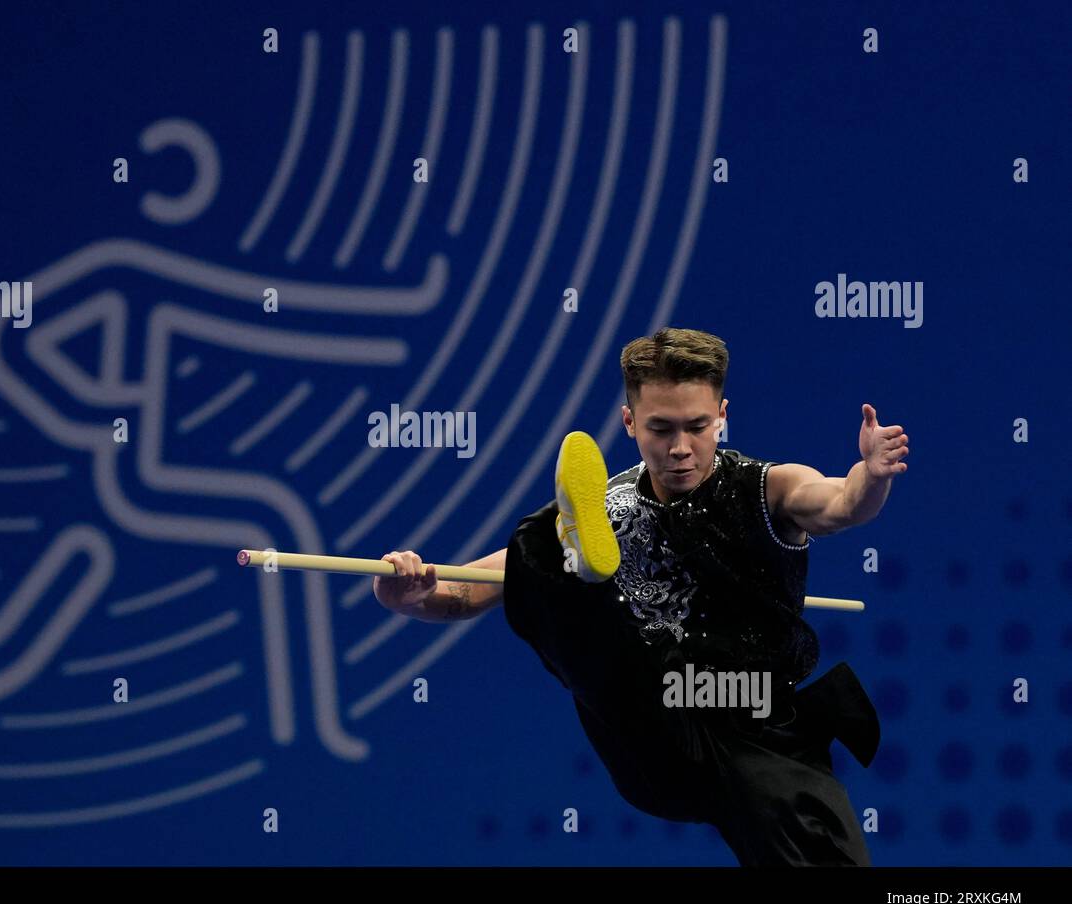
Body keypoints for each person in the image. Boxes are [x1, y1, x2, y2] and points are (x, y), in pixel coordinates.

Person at [372, 327, 909, 866]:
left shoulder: (768, 488)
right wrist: (405, 594)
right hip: (654, 717)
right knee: (539, 552)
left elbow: (841, 504)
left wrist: (872, 477)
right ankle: (580, 569)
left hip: (758, 720)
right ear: (630, 422)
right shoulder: (608, 508)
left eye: (698, 427)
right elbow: (463, 591)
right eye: (661, 428)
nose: (680, 448)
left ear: (721, 415)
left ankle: (581, 573)